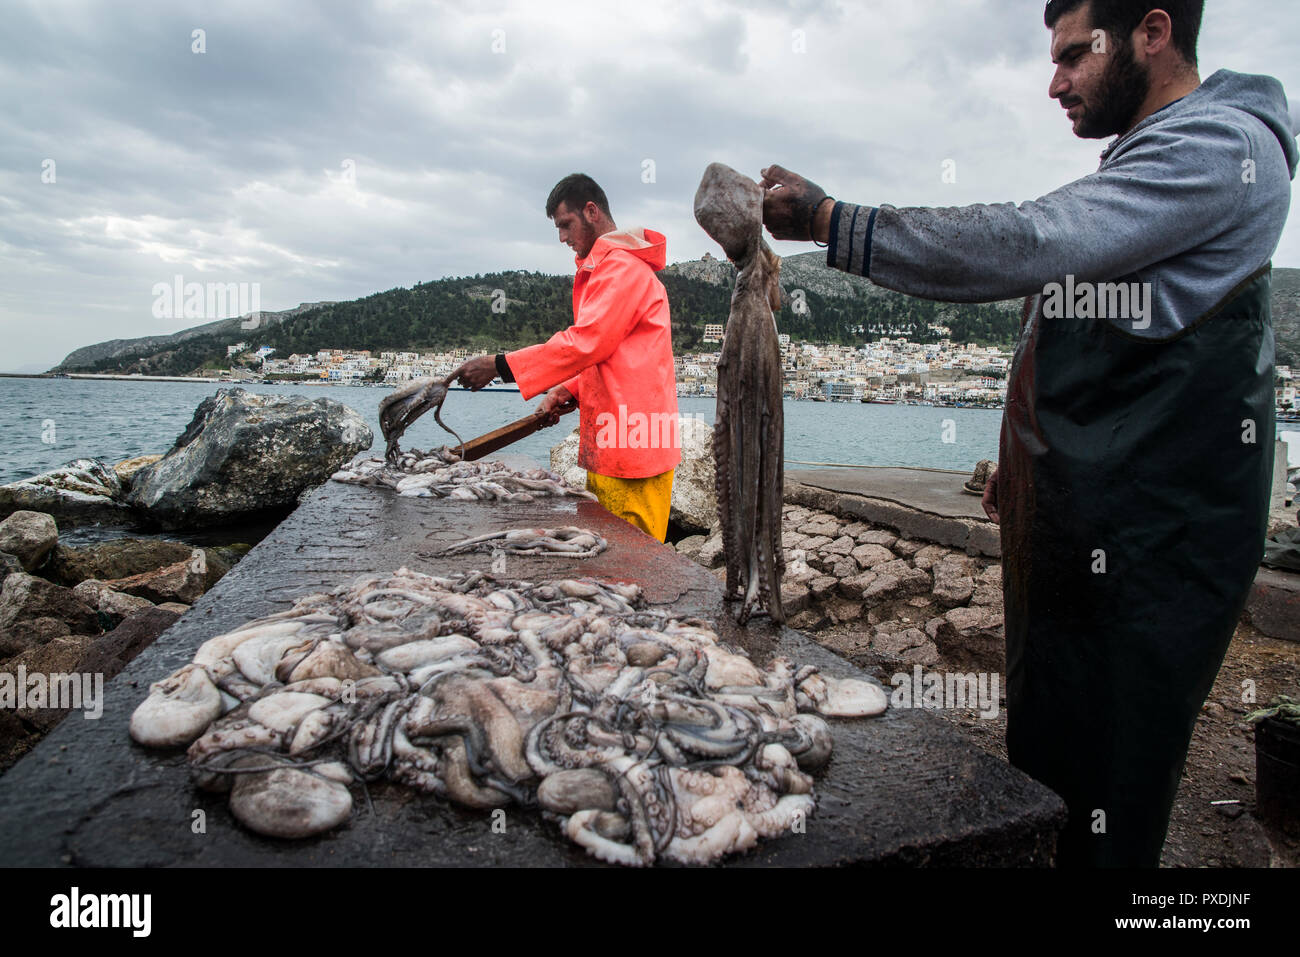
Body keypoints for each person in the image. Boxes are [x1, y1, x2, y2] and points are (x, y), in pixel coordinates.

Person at [761, 0, 1297, 866]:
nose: (1055, 83)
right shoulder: (1151, 153)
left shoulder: (1219, 150)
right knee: (1053, 747)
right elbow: (1070, 320)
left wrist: (834, 223)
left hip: (1154, 540)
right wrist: (1017, 457)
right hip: (1086, 516)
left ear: (1152, 33)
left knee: (1111, 782)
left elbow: (1030, 240)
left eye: (1073, 56)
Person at [455, 174, 681, 542]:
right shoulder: (611, 268)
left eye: (565, 225)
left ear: (591, 211)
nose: (562, 238)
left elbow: (587, 342)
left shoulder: (621, 269)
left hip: (632, 447)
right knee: (609, 559)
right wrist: (572, 390)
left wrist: (500, 365)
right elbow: (616, 352)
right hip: (618, 443)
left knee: (632, 564)